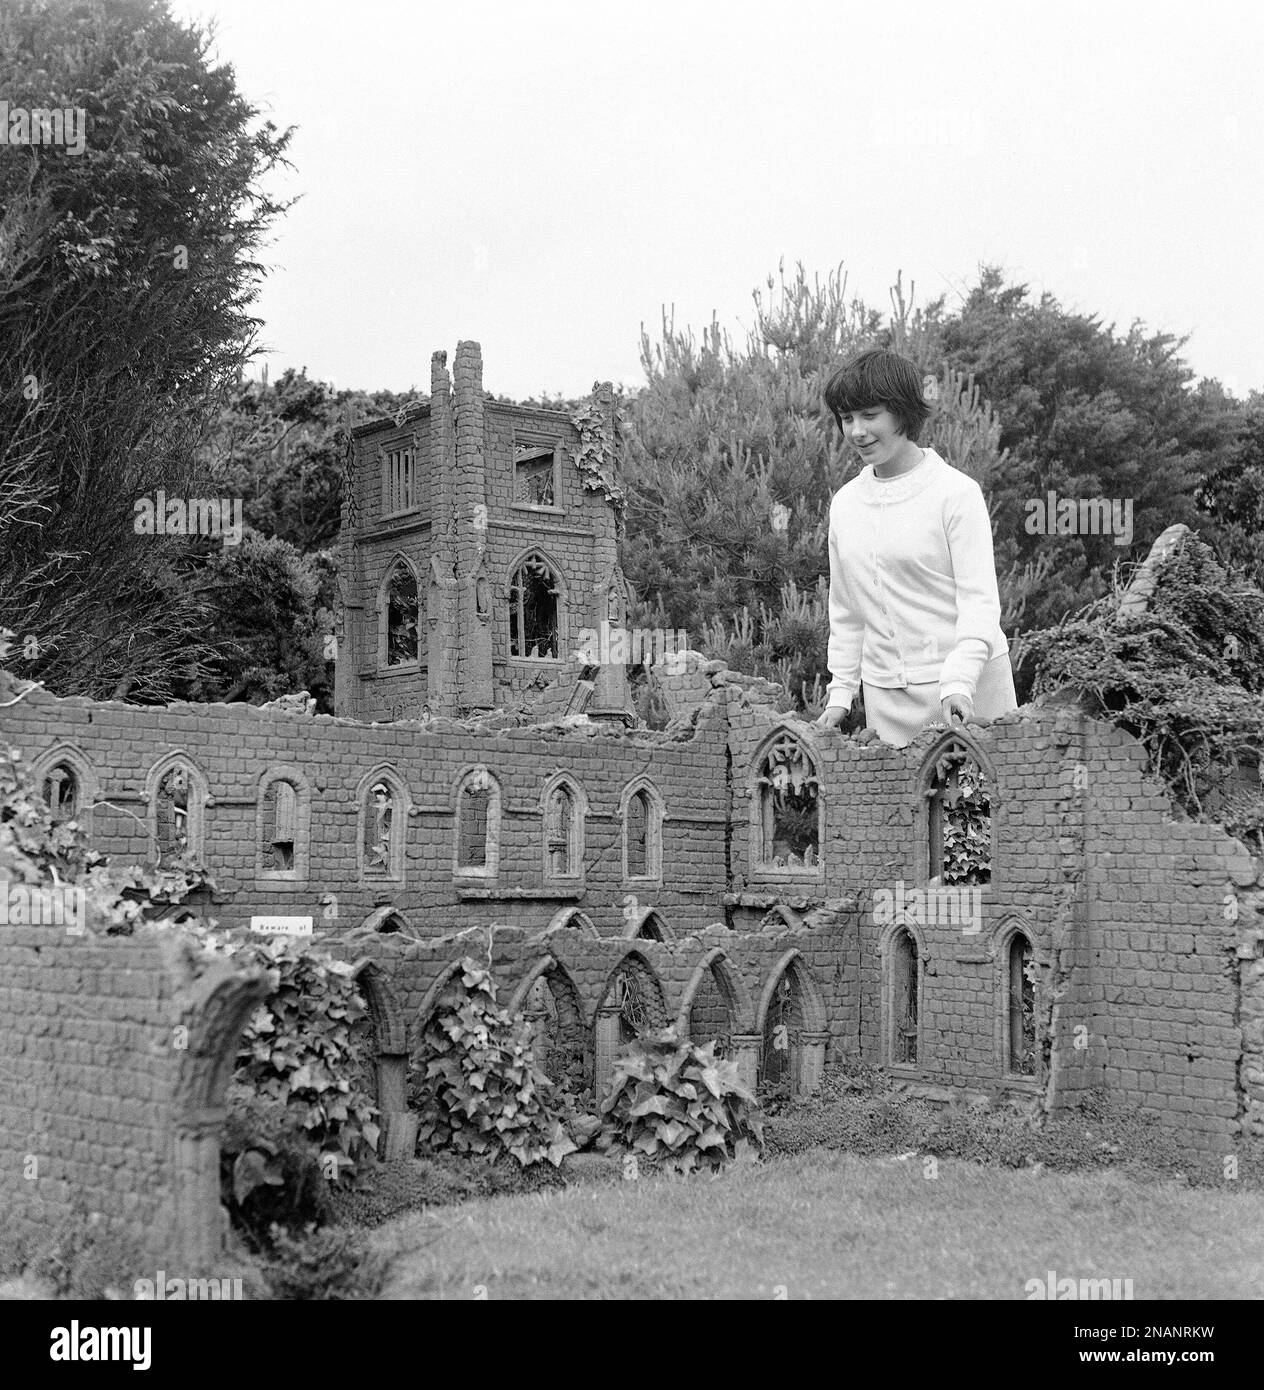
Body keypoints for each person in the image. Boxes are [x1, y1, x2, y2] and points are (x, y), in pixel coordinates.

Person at [814, 348, 1017, 748]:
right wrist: (841, 692)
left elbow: (979, 602)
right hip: (887, 699)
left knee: (972, 810)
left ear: (903, 413)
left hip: (967, 690)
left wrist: (960, 681)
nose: (857, 431)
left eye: (870, 415)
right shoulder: (846, 504)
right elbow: (847, 610)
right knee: (902, 810)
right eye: (847, 418)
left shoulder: (956, 494)